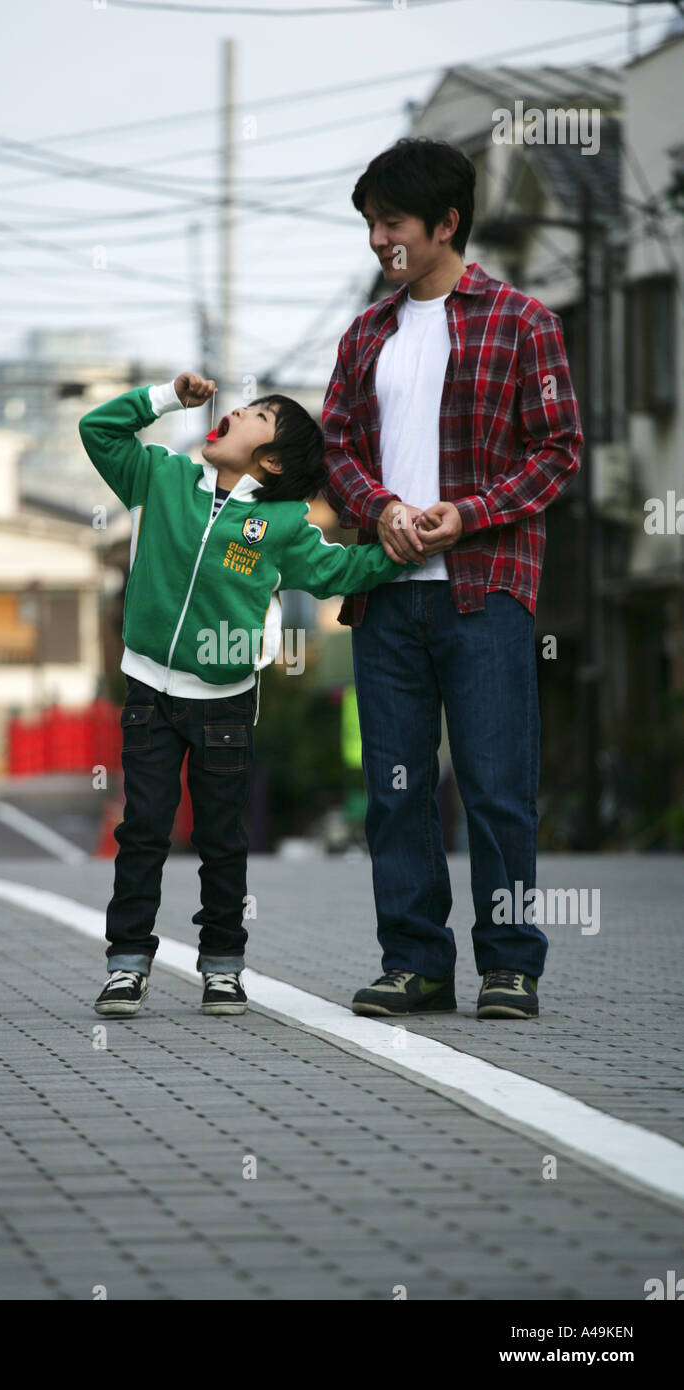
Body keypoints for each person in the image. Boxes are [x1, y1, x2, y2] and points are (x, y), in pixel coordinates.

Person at [321, 137, 583, 1021]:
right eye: (369, 225)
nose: (377, 241)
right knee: (395, 793)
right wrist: (385, 509)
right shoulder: (367, 334)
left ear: (446, 222)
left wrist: (467, 514)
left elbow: (558, 452)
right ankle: (415, 964)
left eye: (390, 224)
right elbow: (335, 447)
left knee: (496, 787)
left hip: (486, 591)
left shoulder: (523, 323)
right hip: (386, 593)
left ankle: (510, 966)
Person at [78, 372, 414, 1018]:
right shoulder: (160, 478)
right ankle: (127, 965)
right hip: (149, 686)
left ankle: (223, 967)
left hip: (226, 699)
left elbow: (340, 569)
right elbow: (98, 430)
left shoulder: (283, 526)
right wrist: (167, 397)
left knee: (222, 838)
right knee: (143, 827)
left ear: (271, 460)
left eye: (257, 413)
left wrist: (401, 551)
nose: (235, 410)